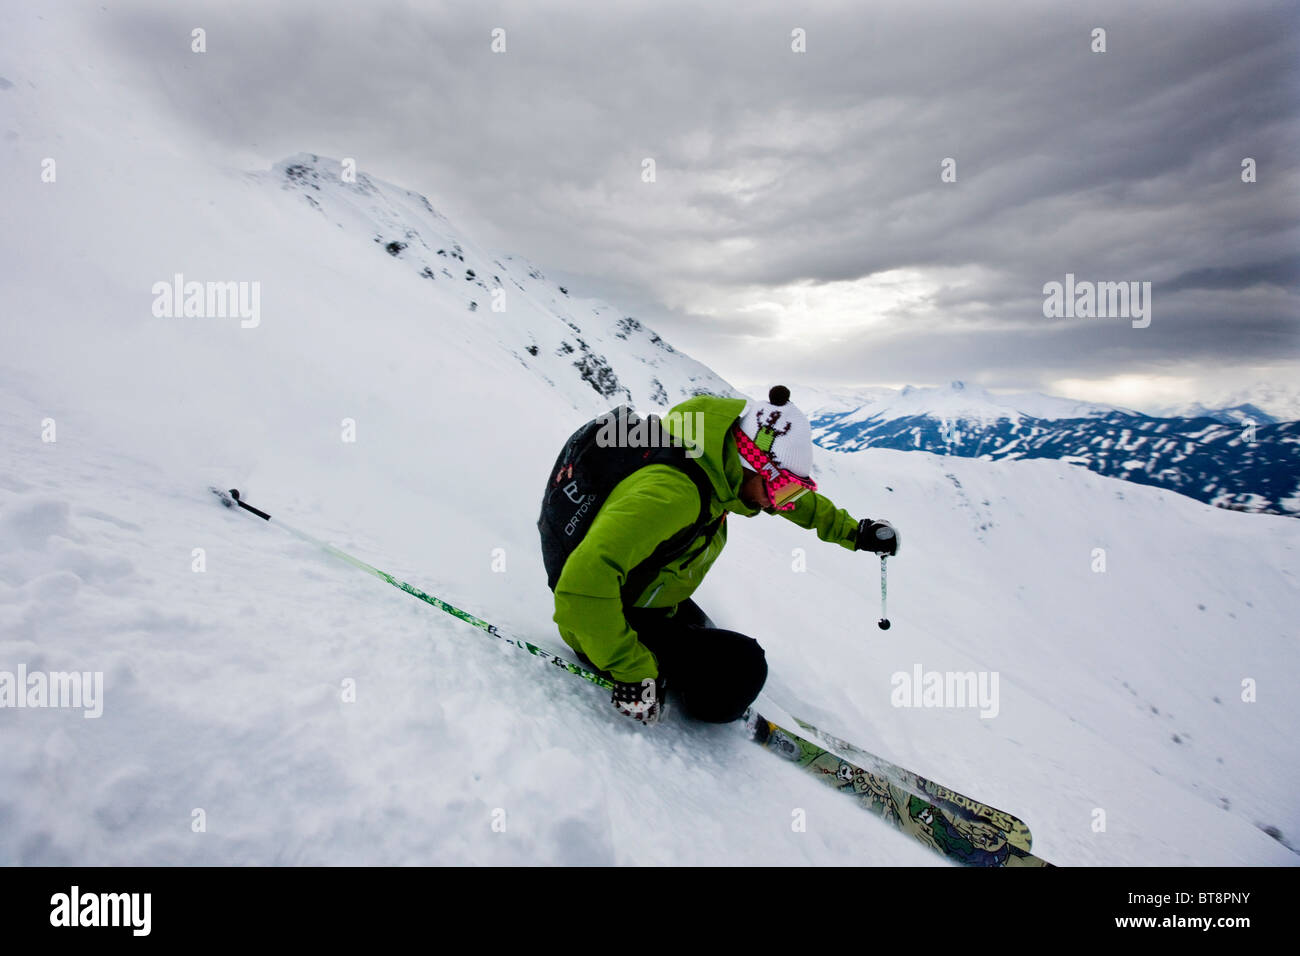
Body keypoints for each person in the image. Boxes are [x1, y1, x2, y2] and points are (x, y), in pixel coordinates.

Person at [546, 386, 899, 726]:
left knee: (707, 636)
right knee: (743, 670)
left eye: (792, 490)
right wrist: (634, 673)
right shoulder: (673, 495)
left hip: (644, 596)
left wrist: (855, 532)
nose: (777, 503)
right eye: (780, 490)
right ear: (751, 463)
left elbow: (786, 496)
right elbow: (583, 583)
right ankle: (660, 676)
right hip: (594, 617)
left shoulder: (713, 457)